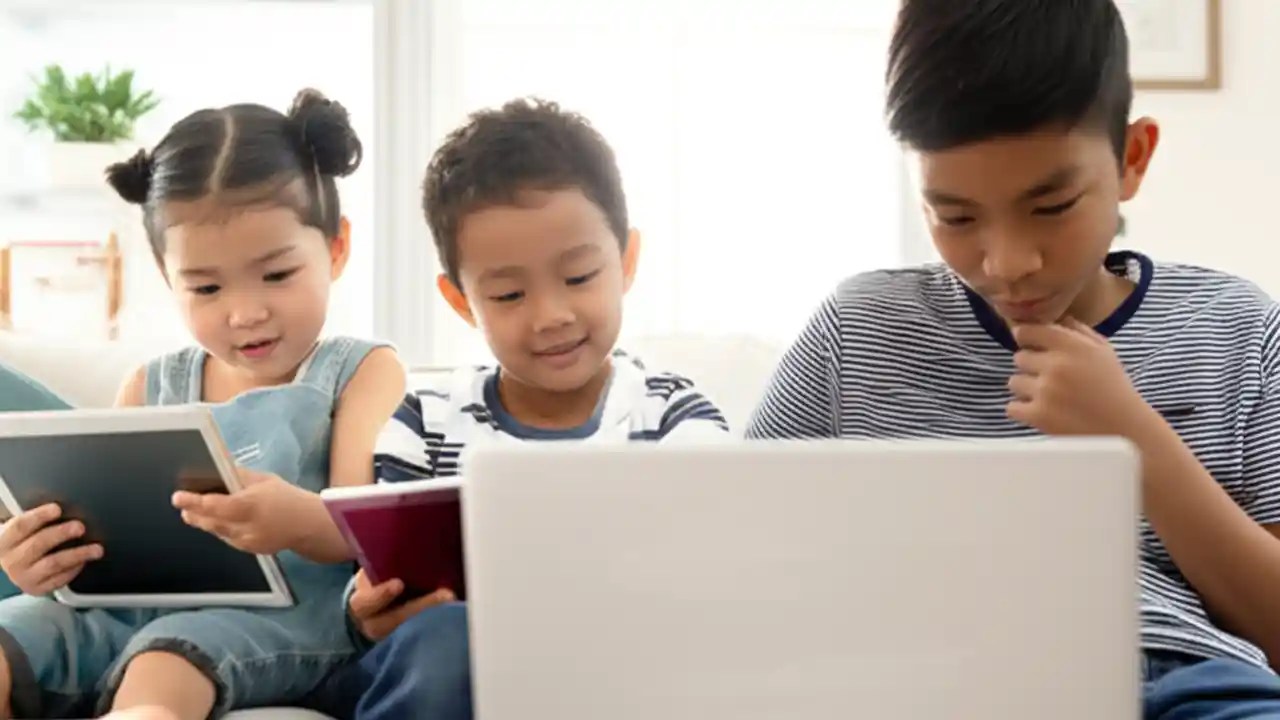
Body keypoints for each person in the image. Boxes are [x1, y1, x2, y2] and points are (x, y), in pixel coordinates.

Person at [746, 0, 1280, 716]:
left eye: (1052, 206)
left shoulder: (1236, 329)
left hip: (1178, 679)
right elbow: (740, 569)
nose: (1007, 264)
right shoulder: (858, 330)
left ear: (1132, 158)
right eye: (956, 217)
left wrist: (1138, 444)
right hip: (919, 676)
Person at [314, 98, 730, 720]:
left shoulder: (673, 414)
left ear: (627, 262)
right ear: (460, 301)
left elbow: (714, 566)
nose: (551, 316)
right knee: (442, 643)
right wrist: (366, 611)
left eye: (581, 276)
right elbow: (384, 583)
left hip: (618, 659)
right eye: (508, 294)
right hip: (450, 668)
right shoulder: (422, 424)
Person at [0, 89, 405, 719]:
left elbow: (363, 533)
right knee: (14, 627)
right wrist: (42, 563)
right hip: (125, 611)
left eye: (276, 275)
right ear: (168, 277)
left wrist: (295, 518)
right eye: (207, 287)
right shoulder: (147, 384)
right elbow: (107, 545)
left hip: (282, 621)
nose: (245, 311)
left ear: (335, 248)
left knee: (165, 661)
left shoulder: (359, 371)